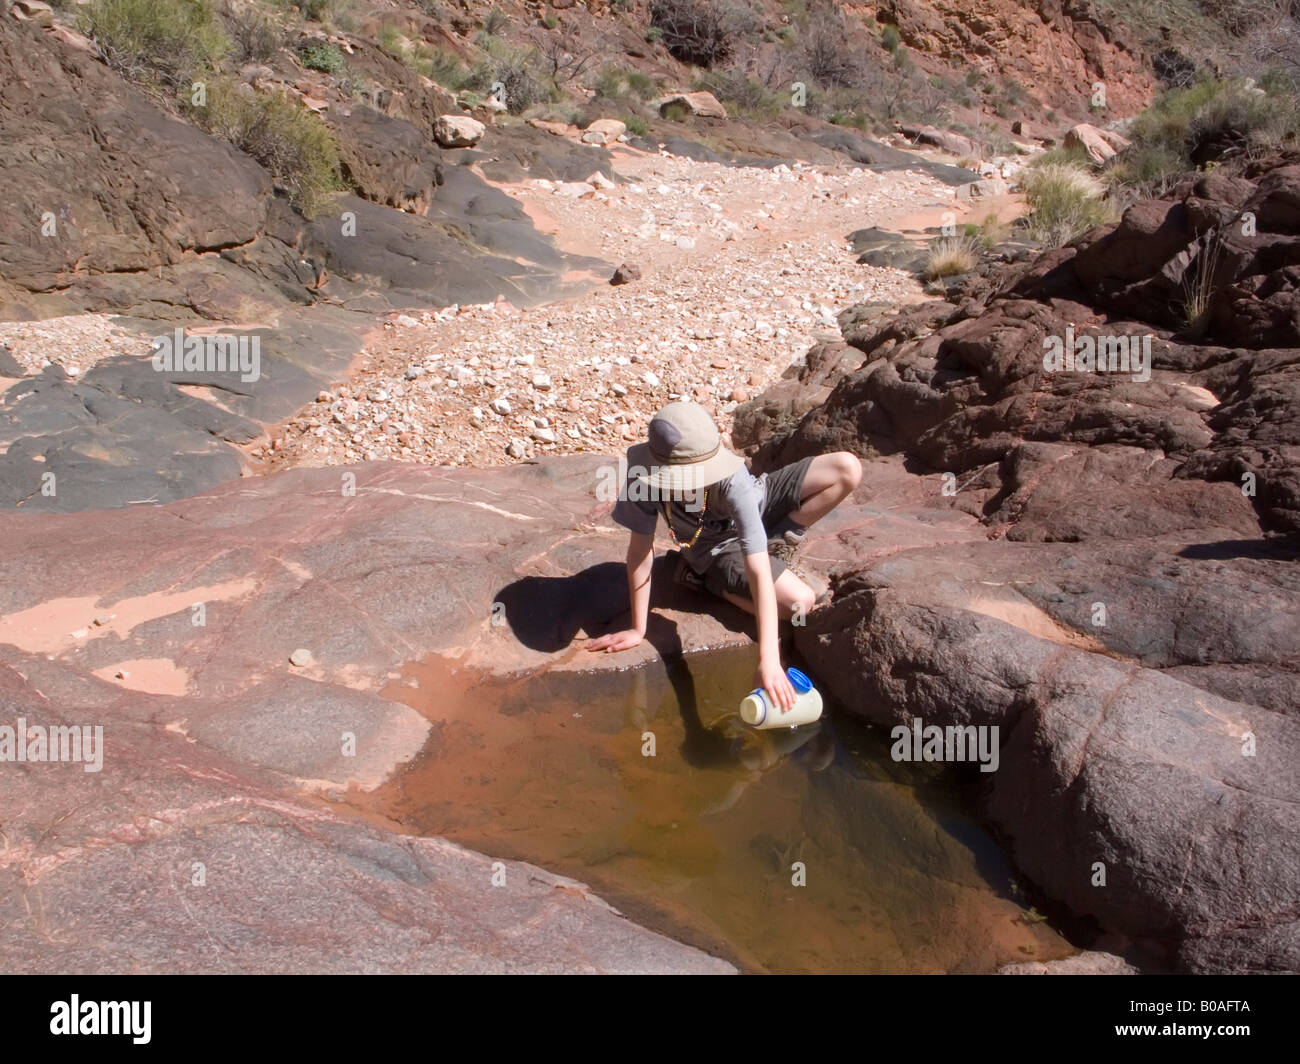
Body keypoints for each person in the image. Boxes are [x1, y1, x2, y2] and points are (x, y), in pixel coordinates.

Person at [587, 400, 861, 712]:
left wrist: (768, 661)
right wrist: (639, 629)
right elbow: (640, 551)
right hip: (715, 546)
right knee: (800, 602)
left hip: (760, 501)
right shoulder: (644, 476)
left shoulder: (734, 481)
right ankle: (702, 577)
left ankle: (777, 540)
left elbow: (757, 570)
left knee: (847, 468)